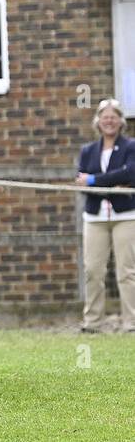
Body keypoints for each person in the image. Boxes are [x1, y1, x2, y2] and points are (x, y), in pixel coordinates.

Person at [75, 99, 135, 333]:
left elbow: (130, 173)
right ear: (98, 121)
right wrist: (111, 183)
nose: (109, 121)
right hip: (95, 217)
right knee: (92, 270)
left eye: (113, 117)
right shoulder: (88, 150)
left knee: (126, 271)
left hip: (125, 215)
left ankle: (131, 322)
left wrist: (94, 180)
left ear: (121, 121)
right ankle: (93, 322)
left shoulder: (130, 147)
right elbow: (81, 183)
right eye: (105, 117)